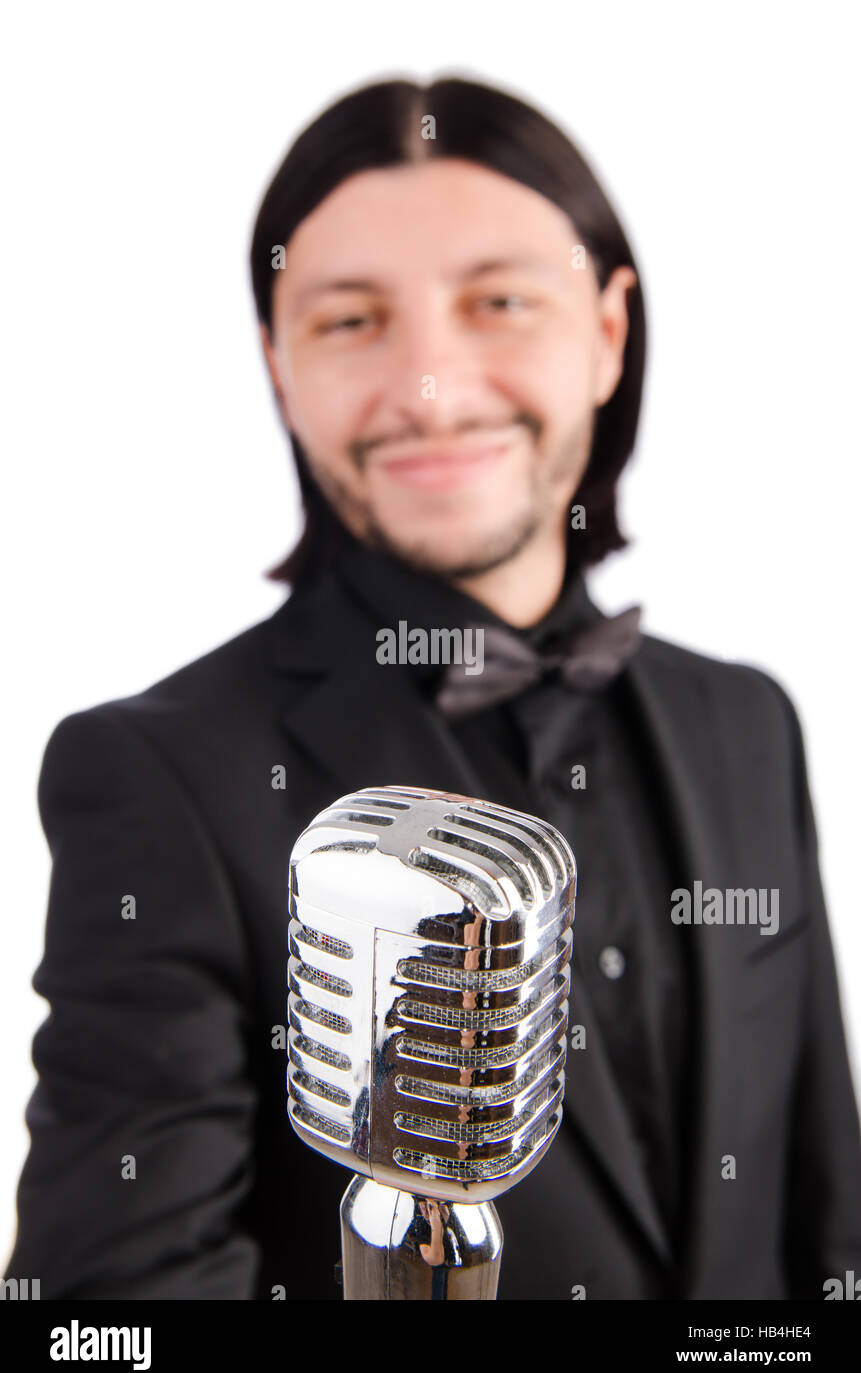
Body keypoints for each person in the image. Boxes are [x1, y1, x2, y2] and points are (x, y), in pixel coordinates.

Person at [6, 74, 861, 1301]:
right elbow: (111, 1313)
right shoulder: (156, 777)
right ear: (279, 368)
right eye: (351, 321)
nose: (431, 386)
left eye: (501, 301)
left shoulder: (749, 723)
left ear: (609, 332)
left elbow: (826, 1224)